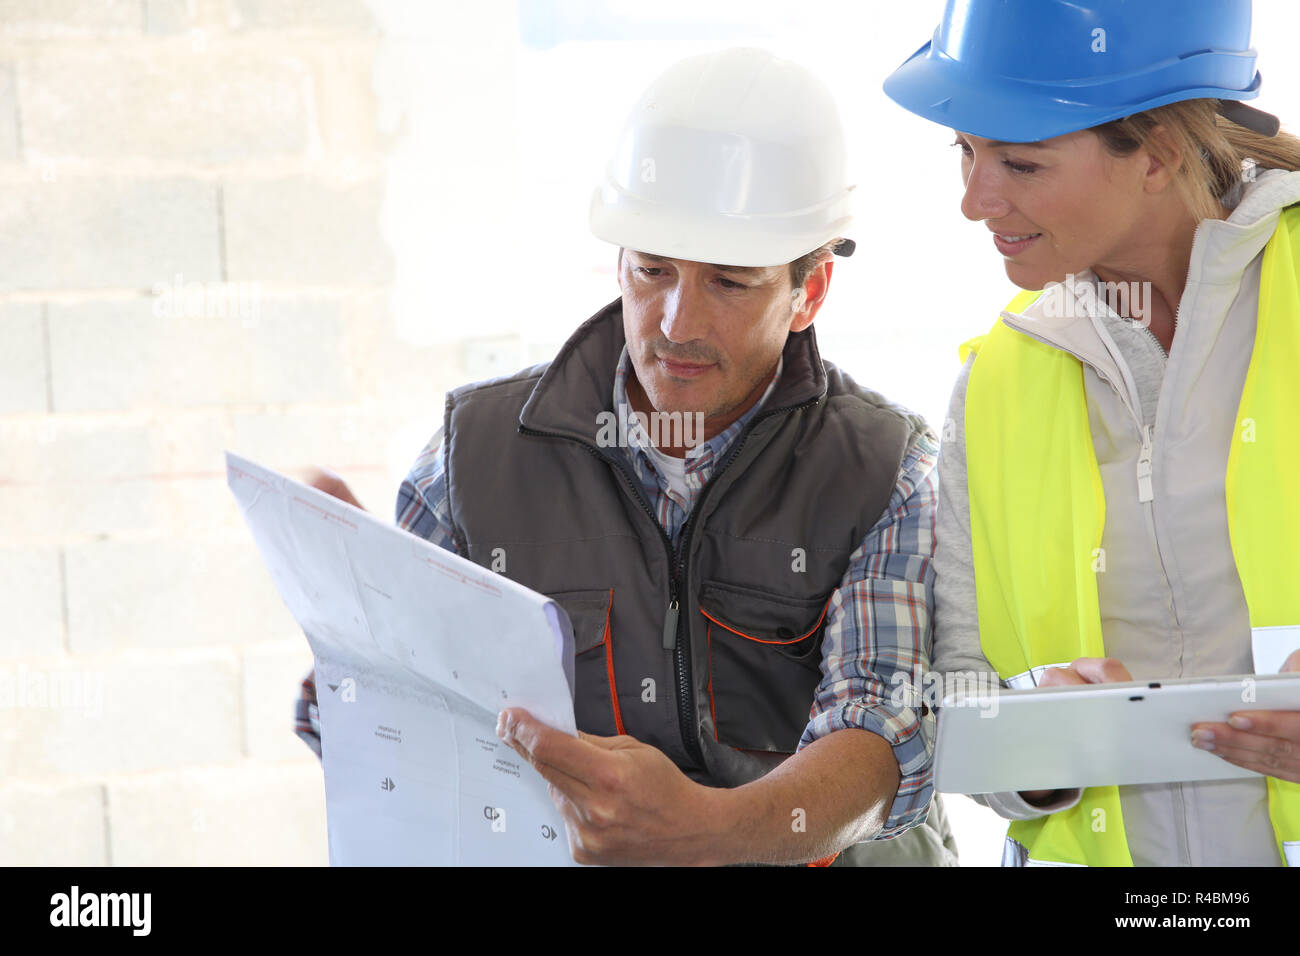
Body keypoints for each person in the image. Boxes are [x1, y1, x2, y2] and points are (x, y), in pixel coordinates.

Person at [293, 47, 958, 866]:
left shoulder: (886, 468)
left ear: (808, 292)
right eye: (653, 269)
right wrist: (355, 664)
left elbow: (881, 730)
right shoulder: (477, 458)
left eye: (729, 281)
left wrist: (708, 835)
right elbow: (409, 744)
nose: (677, 322)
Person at [884, 0, 1300, 866]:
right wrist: (1034, 732)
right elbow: (957, 693)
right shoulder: (999, 381)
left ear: (1157, 153)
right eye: (964, 152)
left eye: (1020, 164)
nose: (973, 201)